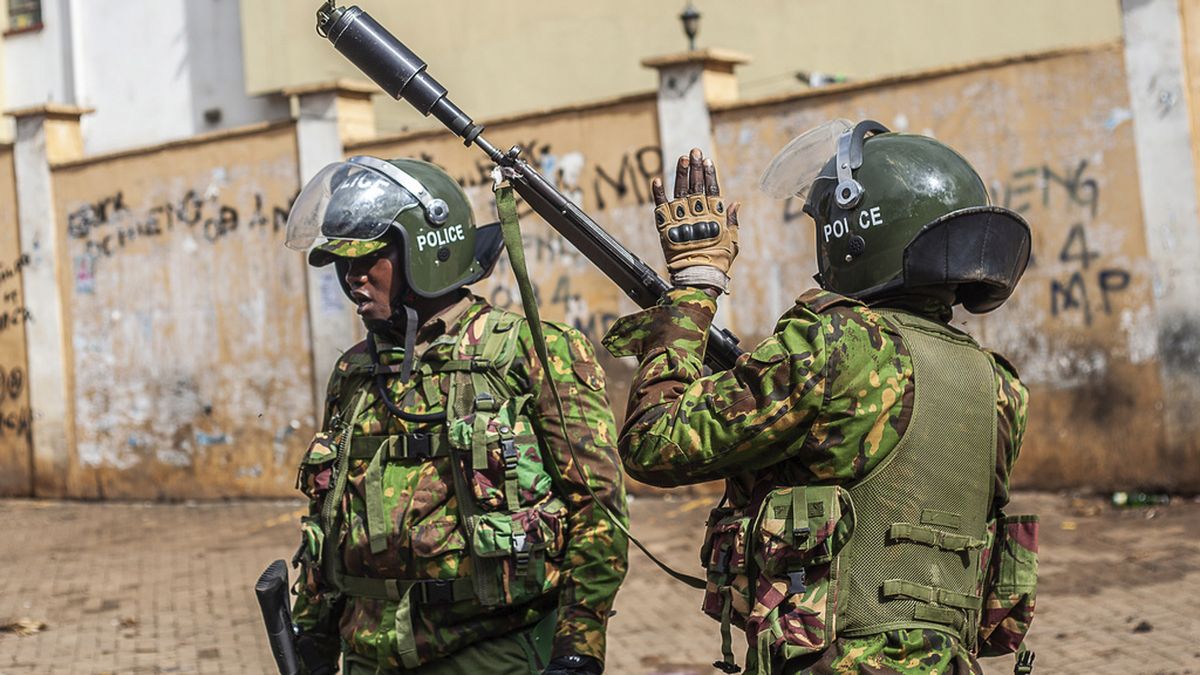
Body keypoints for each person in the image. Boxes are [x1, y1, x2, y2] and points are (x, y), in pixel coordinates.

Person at [602, 121, 1039, 674]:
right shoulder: (998, 385)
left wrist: (694, 288)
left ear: (855, 235)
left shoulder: (834, 345)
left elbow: (653, 444)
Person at [284, 156, 629, 674]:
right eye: (342, 262)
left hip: (491, 652)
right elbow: (328, 518)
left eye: (369, 258)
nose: (352, 277)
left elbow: (597, 508)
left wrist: (578, 646)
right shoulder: (355, 371)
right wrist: (312, 633)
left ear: (429, 252)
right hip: (368, 657)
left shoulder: (532, 352)